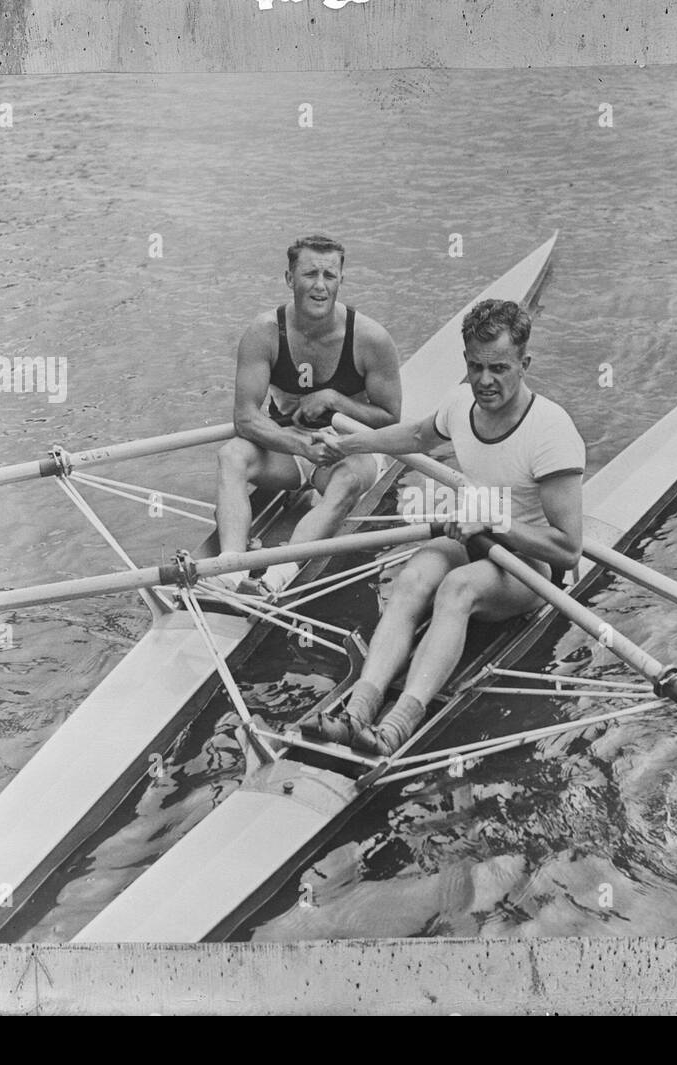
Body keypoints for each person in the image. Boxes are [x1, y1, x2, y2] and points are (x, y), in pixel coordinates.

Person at [312, 298, 585, 756]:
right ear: (465, 363)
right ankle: (358, 709)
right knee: (413, 577)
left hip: (531, 565)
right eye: (476, 367)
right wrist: (346, 444)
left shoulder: (551, 430)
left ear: (525, 363)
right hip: (478, 537)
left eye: (499, 368)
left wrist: (494, 521)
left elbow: (568, 551)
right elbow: (416, 437)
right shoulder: (462, 402)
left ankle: (398, 725)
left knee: (455, 589)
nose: (485, 381)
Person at [215, 234, 402, 595]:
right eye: (309, 274)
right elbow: (245, 419)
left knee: (347, 482)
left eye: (329, 276)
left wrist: (335, 399)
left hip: (347, 450)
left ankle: (279, 575)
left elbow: (391, 420)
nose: (320, 286)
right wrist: (301, 447)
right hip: (290, 449)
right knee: (230, 455)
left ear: (341, 282)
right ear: (289, 279)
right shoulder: (263, 334)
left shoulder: (371, 339)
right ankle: (230, 568)